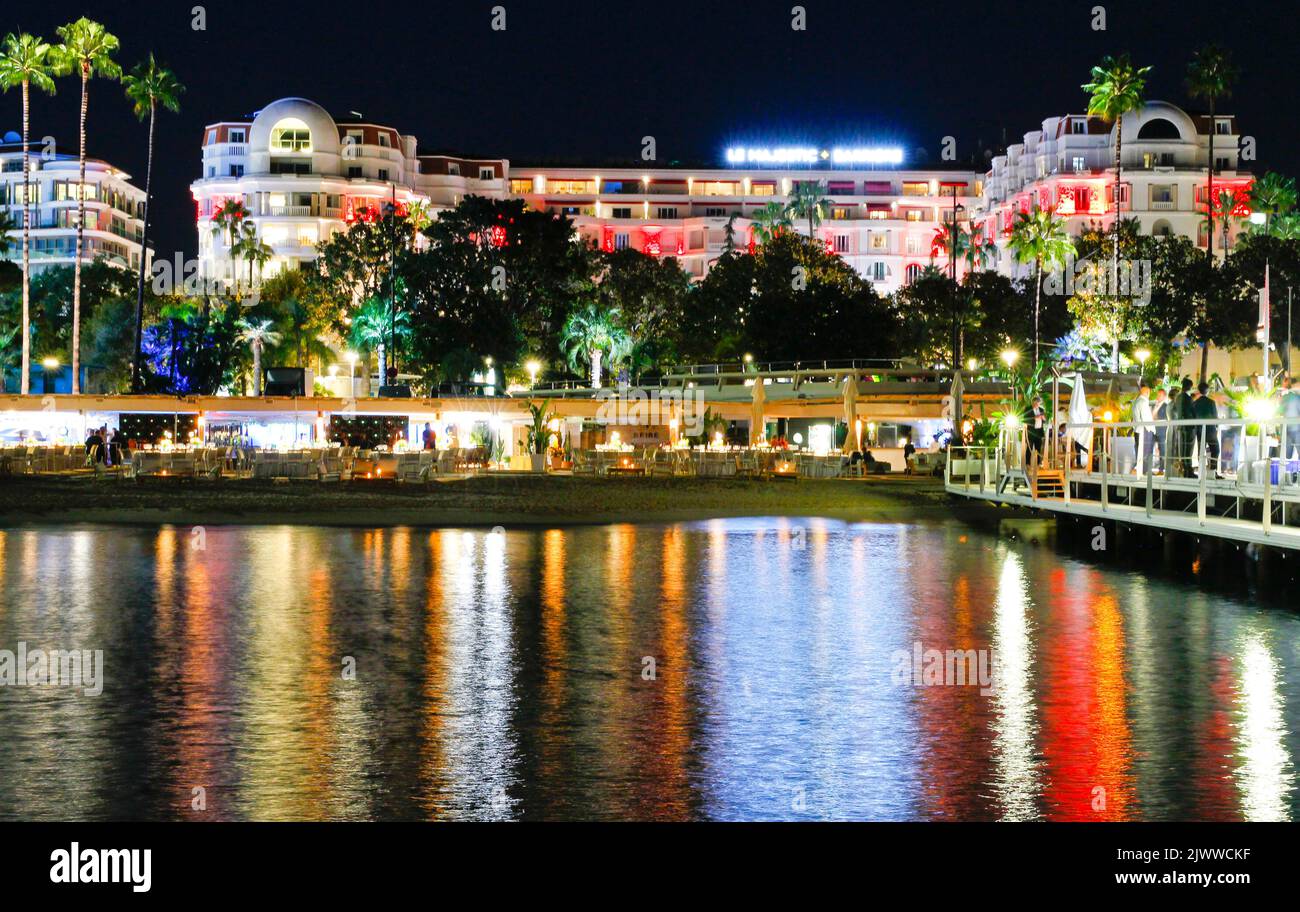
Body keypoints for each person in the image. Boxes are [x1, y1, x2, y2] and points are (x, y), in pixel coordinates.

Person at [1193, 381, 1220, 478]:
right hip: (1211, 430)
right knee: (1215, 449)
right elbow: (1215, 417)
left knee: (1201, 450)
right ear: (1207, 391)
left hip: (1199, 430)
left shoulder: (1195, 403)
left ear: (1199, 390)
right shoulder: (1211, 402)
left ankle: (1201, 471)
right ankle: (1213, 471)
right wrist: (1216, 426)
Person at [1132, 385, 1154, 475]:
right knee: (1146, 450)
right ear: (1147, 393)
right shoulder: (1143, 402)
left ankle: (1141, 469)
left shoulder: (1136, 402)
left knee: (1140, 450)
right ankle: (1145, 471)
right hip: (1144, 430)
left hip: (1137, 429)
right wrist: (1151, 429)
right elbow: (1146, 418)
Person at [1281, 377, 1300, 460]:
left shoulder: (1286, 397)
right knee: (1288, 455)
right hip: (1295, 429)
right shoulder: (1296, 397)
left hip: (1288, 429)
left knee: (1286, 456)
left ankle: (1287, 471)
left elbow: (1280, 410)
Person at [1026, 396, 1046, 466]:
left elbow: (1045, 421)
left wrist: (1043, 418)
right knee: (1029, 448)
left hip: (1039, 431)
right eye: (1036, 403)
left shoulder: (1041, 410)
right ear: (1033, 402)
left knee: (1038, 448)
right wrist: (1034, 418)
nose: (1037, 405)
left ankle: (1038, 463)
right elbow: (1024, 419)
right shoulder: (1028, 409)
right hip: (1031, 431)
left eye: (1038, 403)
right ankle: (1027, 463)